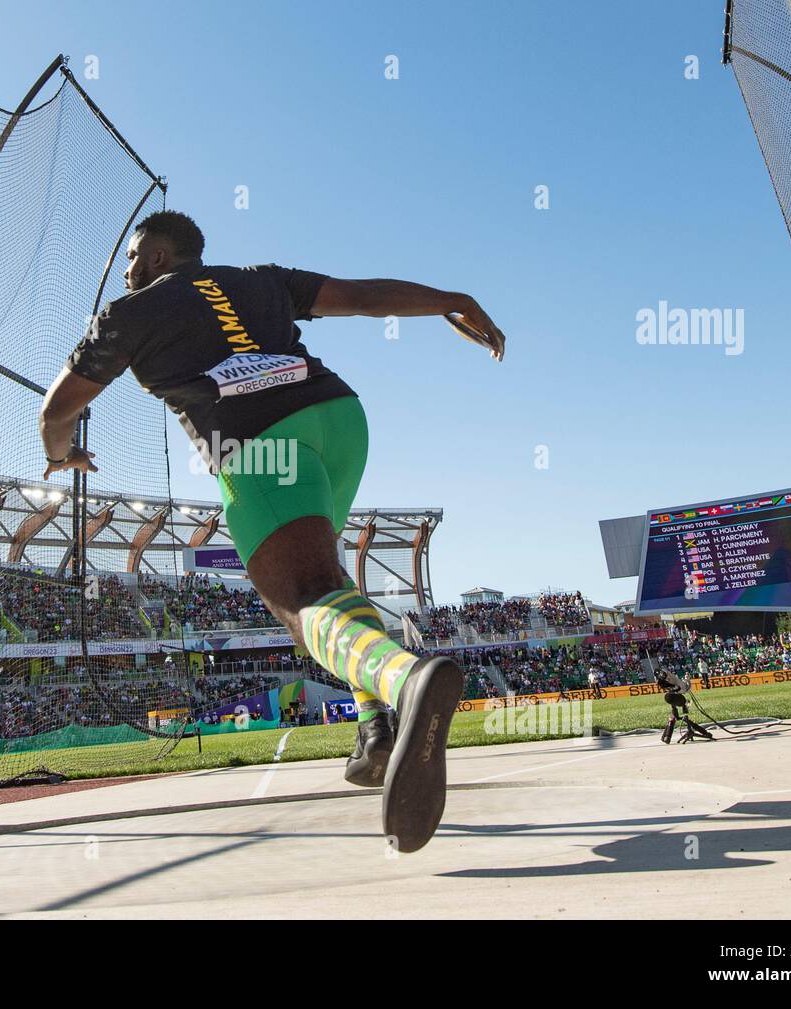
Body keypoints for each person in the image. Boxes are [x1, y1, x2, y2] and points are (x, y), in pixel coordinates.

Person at [39, 210, 506, 852]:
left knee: (304, 601)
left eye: (131, 256)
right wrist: (452, 300)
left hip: (260, 448)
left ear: (154, 256)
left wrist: (58, 450)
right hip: (339, 422)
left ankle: (405, 680)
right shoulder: (261, 280)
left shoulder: (129, 312)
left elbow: (60, 405)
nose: (125, 268)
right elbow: (365, 297)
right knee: (333, 584)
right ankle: (374, 733)